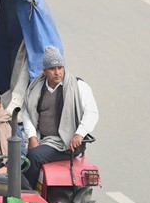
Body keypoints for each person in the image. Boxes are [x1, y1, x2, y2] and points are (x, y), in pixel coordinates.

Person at [22, 46, 99, 188]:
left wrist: (79, 134)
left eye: (60, 68)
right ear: (45, 71)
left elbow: (92, 113)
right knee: (17, 159)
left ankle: (27, 193)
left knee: (33, 157)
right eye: (52, 69)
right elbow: (28, 113)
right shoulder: (36, 88)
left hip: (67, 142)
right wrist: (32, 137)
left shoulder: (78, 86)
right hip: (41, 138)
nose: (57, 73)